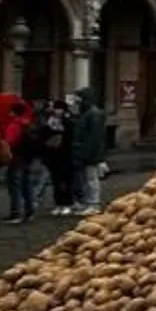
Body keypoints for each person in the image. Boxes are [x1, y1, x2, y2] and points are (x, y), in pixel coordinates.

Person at [71, 88, 106, 217]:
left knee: (91, 179)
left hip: (90, 153)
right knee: (86, 179)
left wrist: (90, 154)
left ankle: (94, 204)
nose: (77, 102)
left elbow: (94, 138)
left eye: (79, 99)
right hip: (84, 152)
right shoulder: (86, 113)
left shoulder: (93, 114)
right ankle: (88, 203)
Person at [1, 101, 36, 224]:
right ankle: (29, 211)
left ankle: (16, 213)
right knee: (27, 185)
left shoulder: (14, 125)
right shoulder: (28, 124)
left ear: (13, 112)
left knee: (15, 187)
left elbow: (9, 142)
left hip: (16, 159)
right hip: (28, 158)